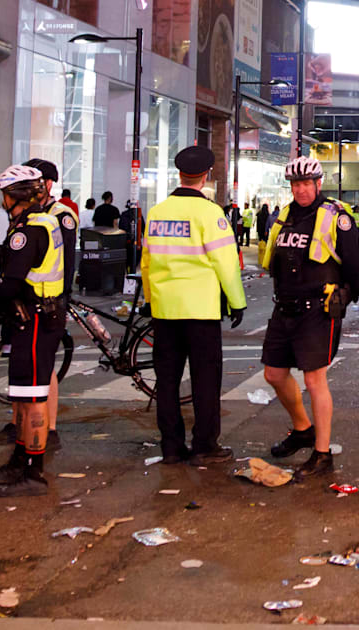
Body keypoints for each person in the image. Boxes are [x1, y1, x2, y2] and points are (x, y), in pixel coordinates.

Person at [261, 156, 359, 480]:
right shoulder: (285, 216)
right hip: (284, 307)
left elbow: (355, 266)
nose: (301, 190)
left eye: (307, 183)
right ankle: (302, 429)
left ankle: (322, 454)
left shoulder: (337, 216)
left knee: (313, 380)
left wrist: (346, 298)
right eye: (296, 184)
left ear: (319, 184)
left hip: (318, 309)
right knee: (274, 374)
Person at [141, 146, 247, 466]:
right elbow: (226, 263)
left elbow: (147, 262)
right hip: (200, 311)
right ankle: (204, 444)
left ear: (180, 175)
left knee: (167, 382)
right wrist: (236, 302)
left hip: (164, 311)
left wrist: (150, 299)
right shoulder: (210, 214)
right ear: (205, 176)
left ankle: (171, 447)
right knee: (205, 381)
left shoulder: (157, 212)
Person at [0, 165, 67, 496]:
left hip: (35, 318)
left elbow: (13, 279)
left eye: (4, 195)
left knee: (32, 398)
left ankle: (33, 472)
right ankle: (19, 460)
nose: (2, 201)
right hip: (39, 316)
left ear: (14, 197)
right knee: (24, 395)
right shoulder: (44, 221)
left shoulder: (27, 231)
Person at [119, 200, 144, 274]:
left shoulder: (124, 214)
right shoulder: (138, 215)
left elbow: (121, 228)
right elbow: (143, 228)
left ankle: (129, 272)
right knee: (136, 259)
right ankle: (132, 273)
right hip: (136, 242)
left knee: (127, 260)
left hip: (126, 242)